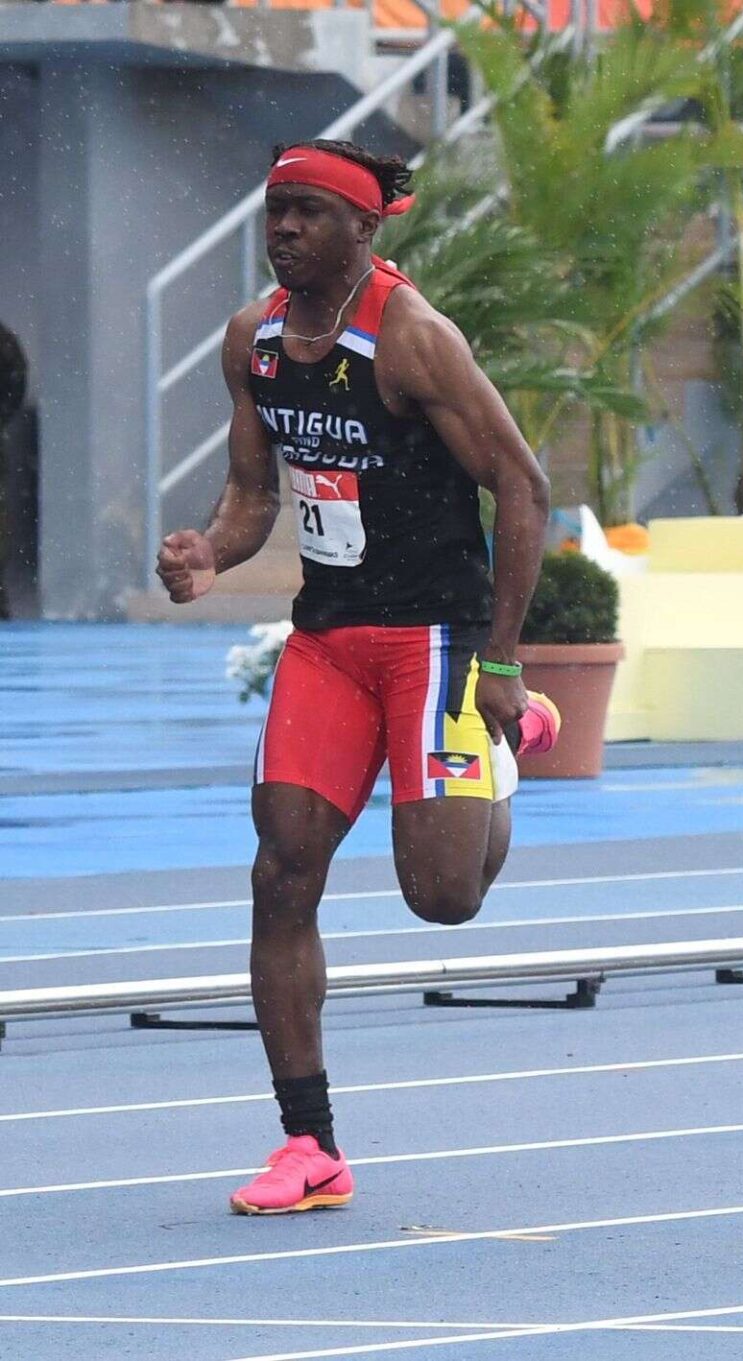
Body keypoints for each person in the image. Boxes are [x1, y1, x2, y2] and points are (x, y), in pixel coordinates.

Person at [157, 140, 556, 1215]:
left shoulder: (413, 342)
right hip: (329, 641)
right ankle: (310, 1142)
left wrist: (504, 662)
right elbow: (252, 498)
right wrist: (209, 551)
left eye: (305, 214)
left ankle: (499, 752)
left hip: (432, 639)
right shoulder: (255, 342)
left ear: (363, 231)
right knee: (282, 873)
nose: (281, 230)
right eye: (272, 211)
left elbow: (522, 489)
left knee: (443, 896)